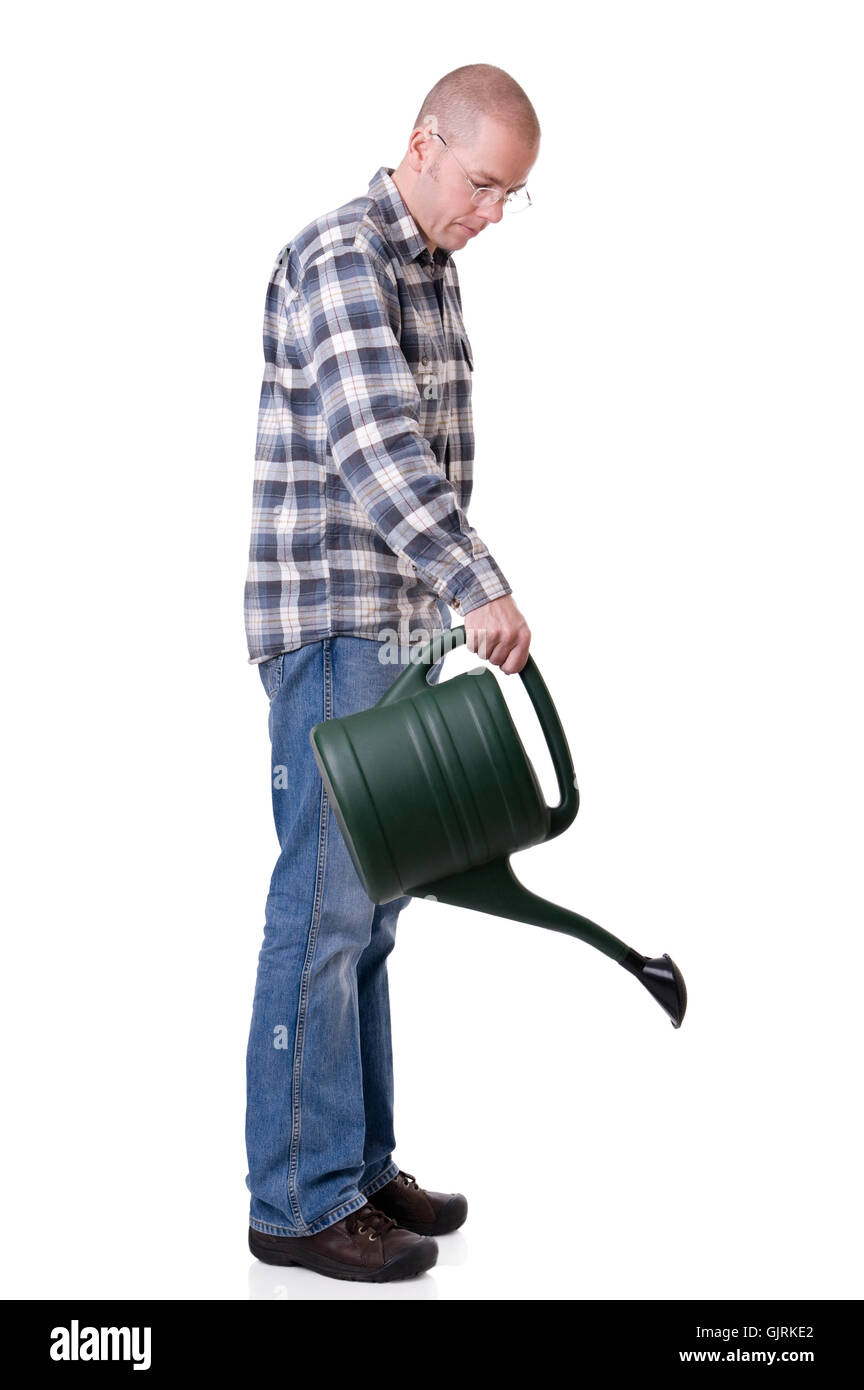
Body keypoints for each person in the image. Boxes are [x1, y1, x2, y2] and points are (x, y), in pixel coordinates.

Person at [243, 63, 538, 1283]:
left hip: (398, 631)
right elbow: (375, 448)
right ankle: (296, 1202)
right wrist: (479, 581)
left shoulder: (430, 270)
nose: (495, 213)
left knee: (372, 918)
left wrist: (445, 603)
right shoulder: (344, 257)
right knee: (322, 913)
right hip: (334, 631)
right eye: (484, 184)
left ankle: (356, 1168)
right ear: (424, 144)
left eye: (516, 196)